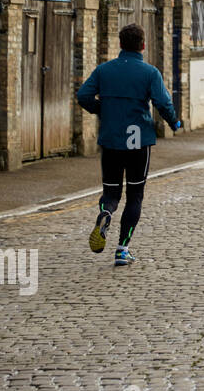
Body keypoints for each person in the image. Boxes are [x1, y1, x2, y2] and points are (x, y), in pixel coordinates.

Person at [76, 23, 182, 266]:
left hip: (111, 139)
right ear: (143, 46)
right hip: (138, 142)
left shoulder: (104, 71)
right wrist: (174, 123)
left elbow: (83, 95)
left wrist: (101, 108)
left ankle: (105, 213)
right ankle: (122, 249)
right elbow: (162, 103)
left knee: (111, 192)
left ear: (120, 44)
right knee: (135, 195)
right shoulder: (150, 73)